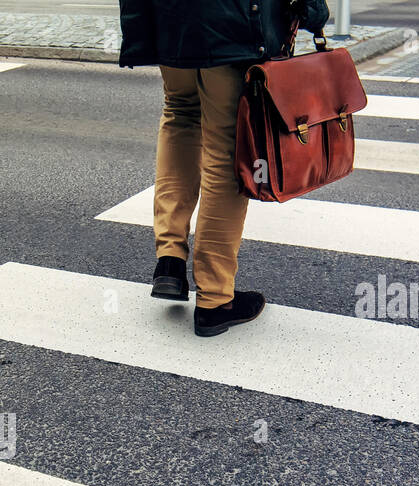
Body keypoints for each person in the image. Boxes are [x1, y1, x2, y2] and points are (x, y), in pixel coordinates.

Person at [118, 0, 331, 337]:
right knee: (225, 148)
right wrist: (314, 10)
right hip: (231, 22)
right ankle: (215, 298)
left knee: (180, 115)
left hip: (168, 17)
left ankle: (170, 258)